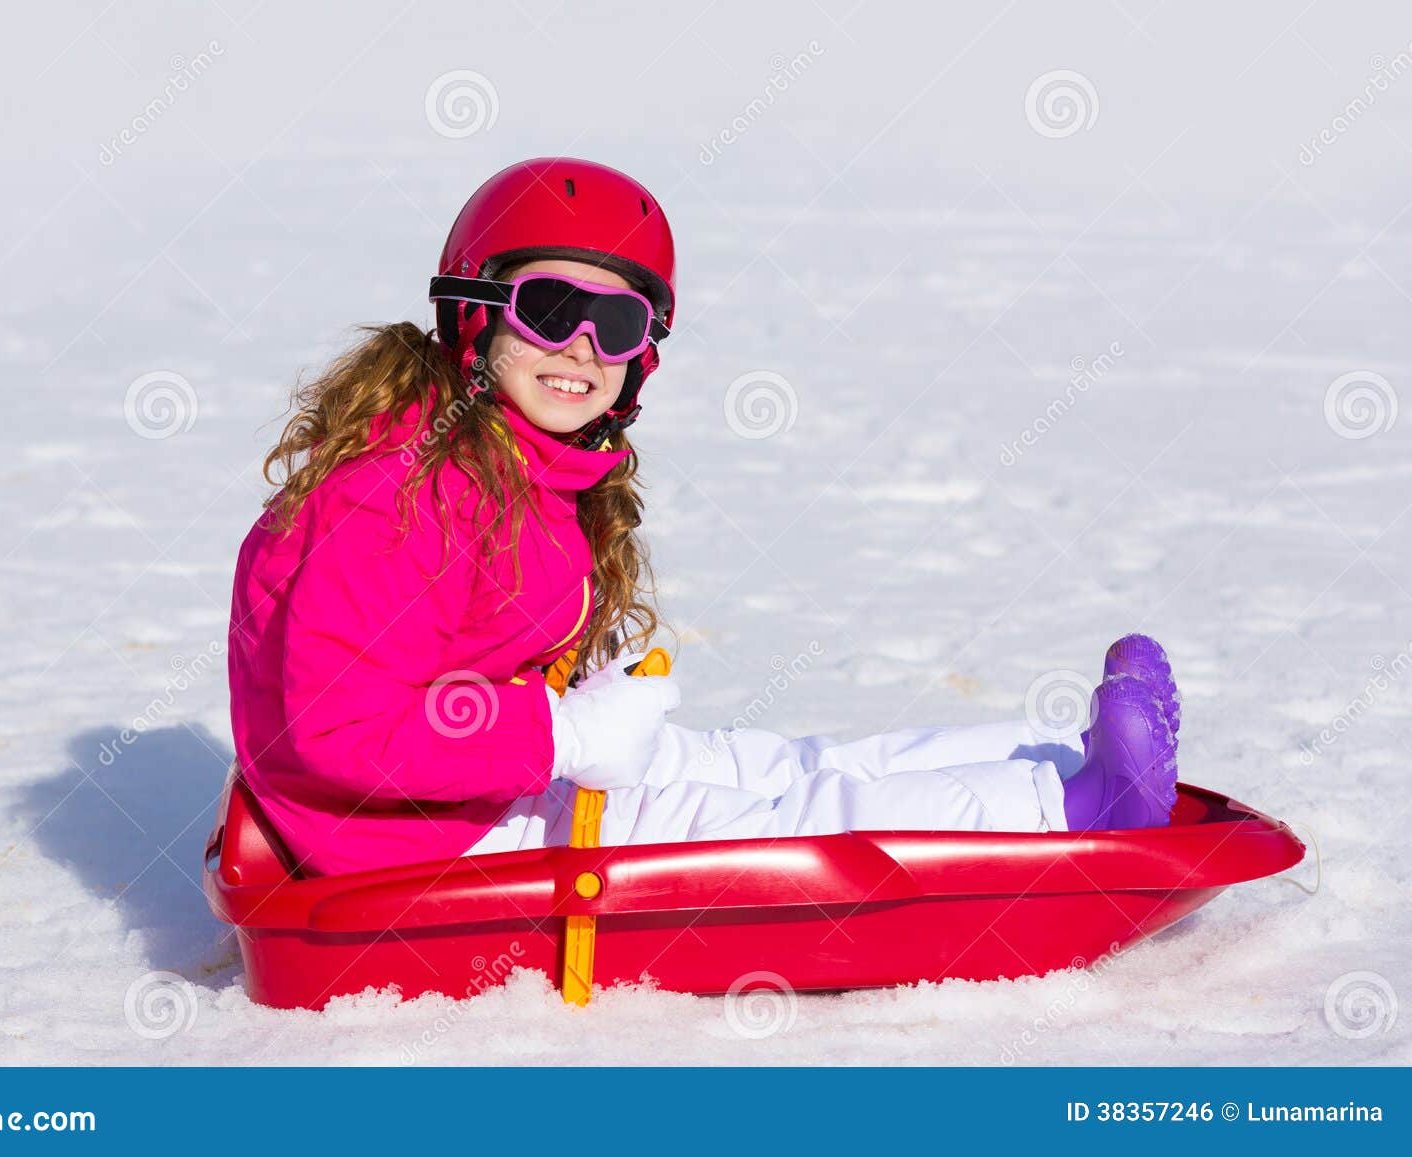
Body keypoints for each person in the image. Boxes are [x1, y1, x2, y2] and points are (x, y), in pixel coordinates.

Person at [226, 157, 1181, 878]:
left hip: (462, 789)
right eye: (550, 307)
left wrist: (562, 712)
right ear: (474, 315)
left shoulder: (497, 458)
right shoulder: (395, 498)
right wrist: (561, 738)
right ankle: (1070, 809)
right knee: (777, 820)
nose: (584, 348)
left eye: (622, 323)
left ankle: (1062, 758)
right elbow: (338, 724)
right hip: (408, 842)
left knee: (772, 765)